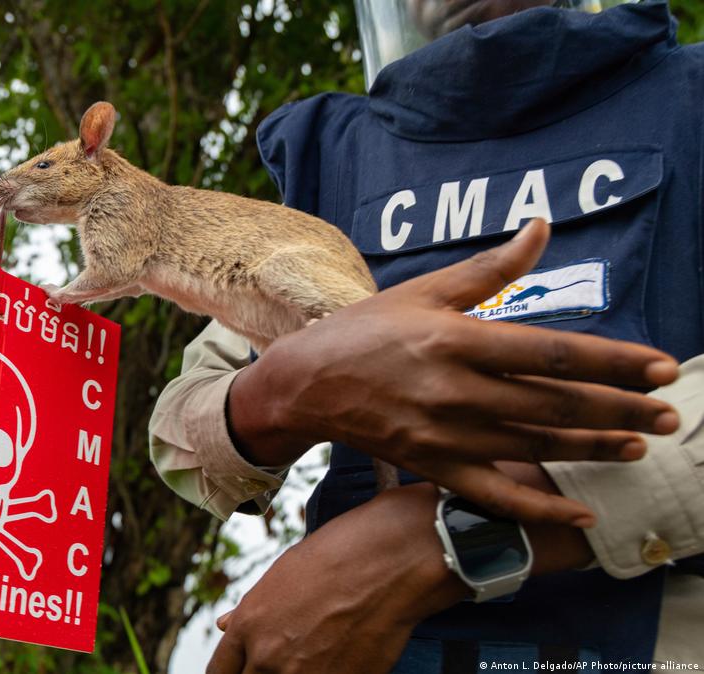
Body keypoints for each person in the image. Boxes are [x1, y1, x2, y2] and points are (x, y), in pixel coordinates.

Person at [148, 1, 704, 671]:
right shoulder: (334, 157)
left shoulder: (688, 100)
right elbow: (181, 432)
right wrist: (283, 391)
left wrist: (435, 541)